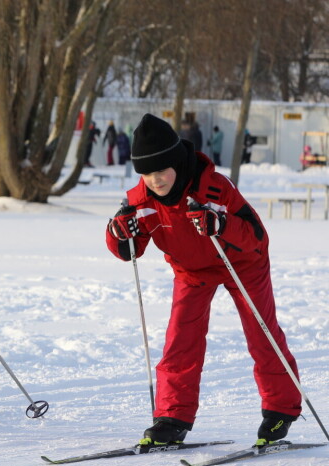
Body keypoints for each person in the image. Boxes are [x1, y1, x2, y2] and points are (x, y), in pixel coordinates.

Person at [105, 113, 302, 446]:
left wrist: (220, 225)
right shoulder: (142, 200)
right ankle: (172, 418)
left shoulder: (214, 187)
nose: (155, 180)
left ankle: (281, 409)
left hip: (241, 263)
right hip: (192, 271)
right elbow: (129, 251)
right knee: (180, 339)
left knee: (261, 331)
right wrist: (118, 232)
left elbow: (254, 235)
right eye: (147, 173)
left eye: (161, 170)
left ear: (176, 162)